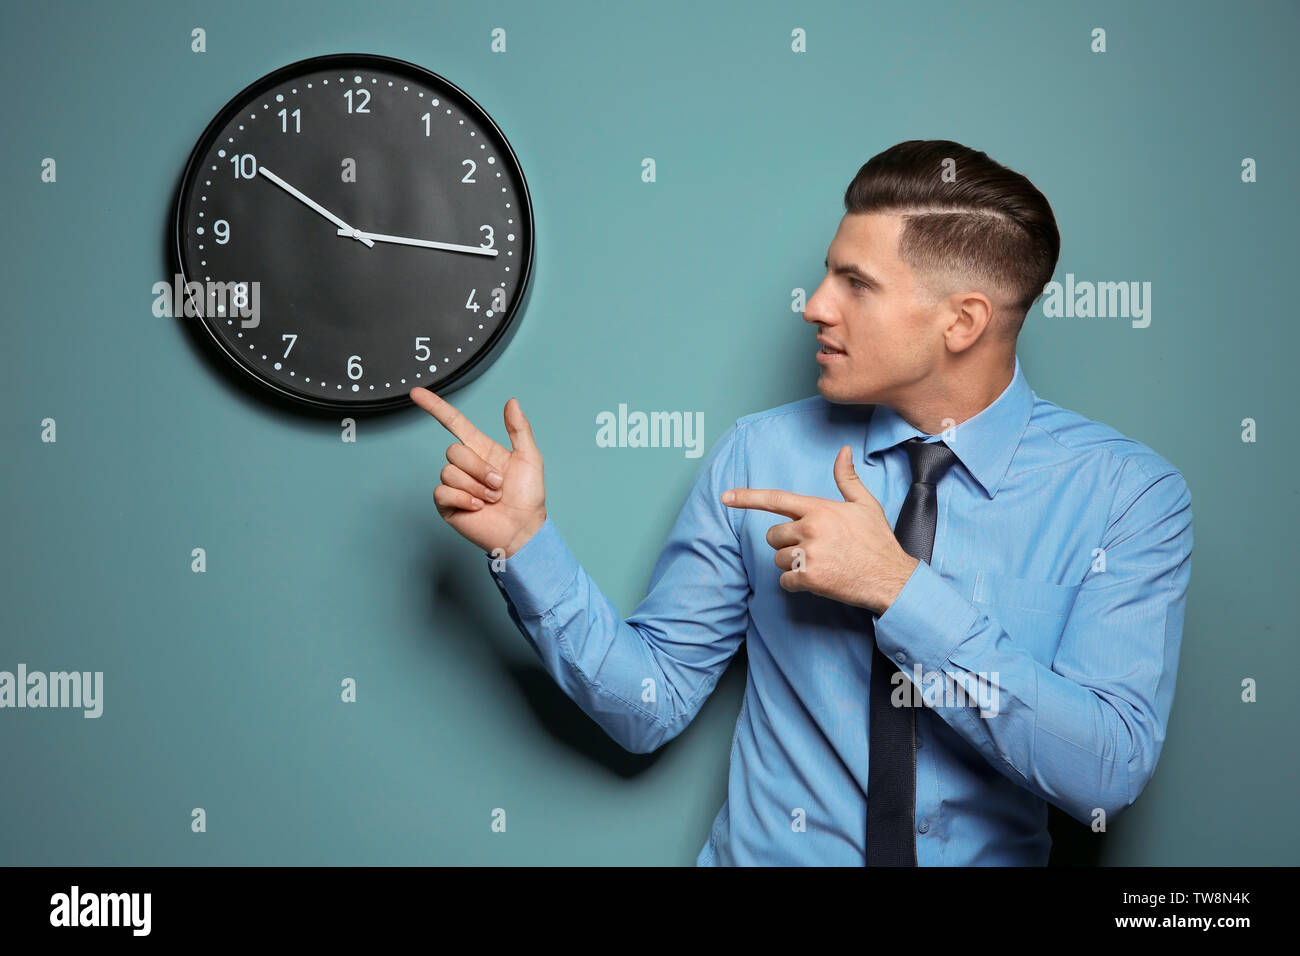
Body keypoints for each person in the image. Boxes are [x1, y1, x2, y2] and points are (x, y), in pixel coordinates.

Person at [409, 139, 1194, 866]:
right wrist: (525, 544)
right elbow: (649, 704)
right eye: (828, 273)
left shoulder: (1127, 497)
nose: (816, 305)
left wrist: (898, 589)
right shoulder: (762, 455)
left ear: (963, 321)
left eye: (856, 283)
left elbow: (1105, 772)